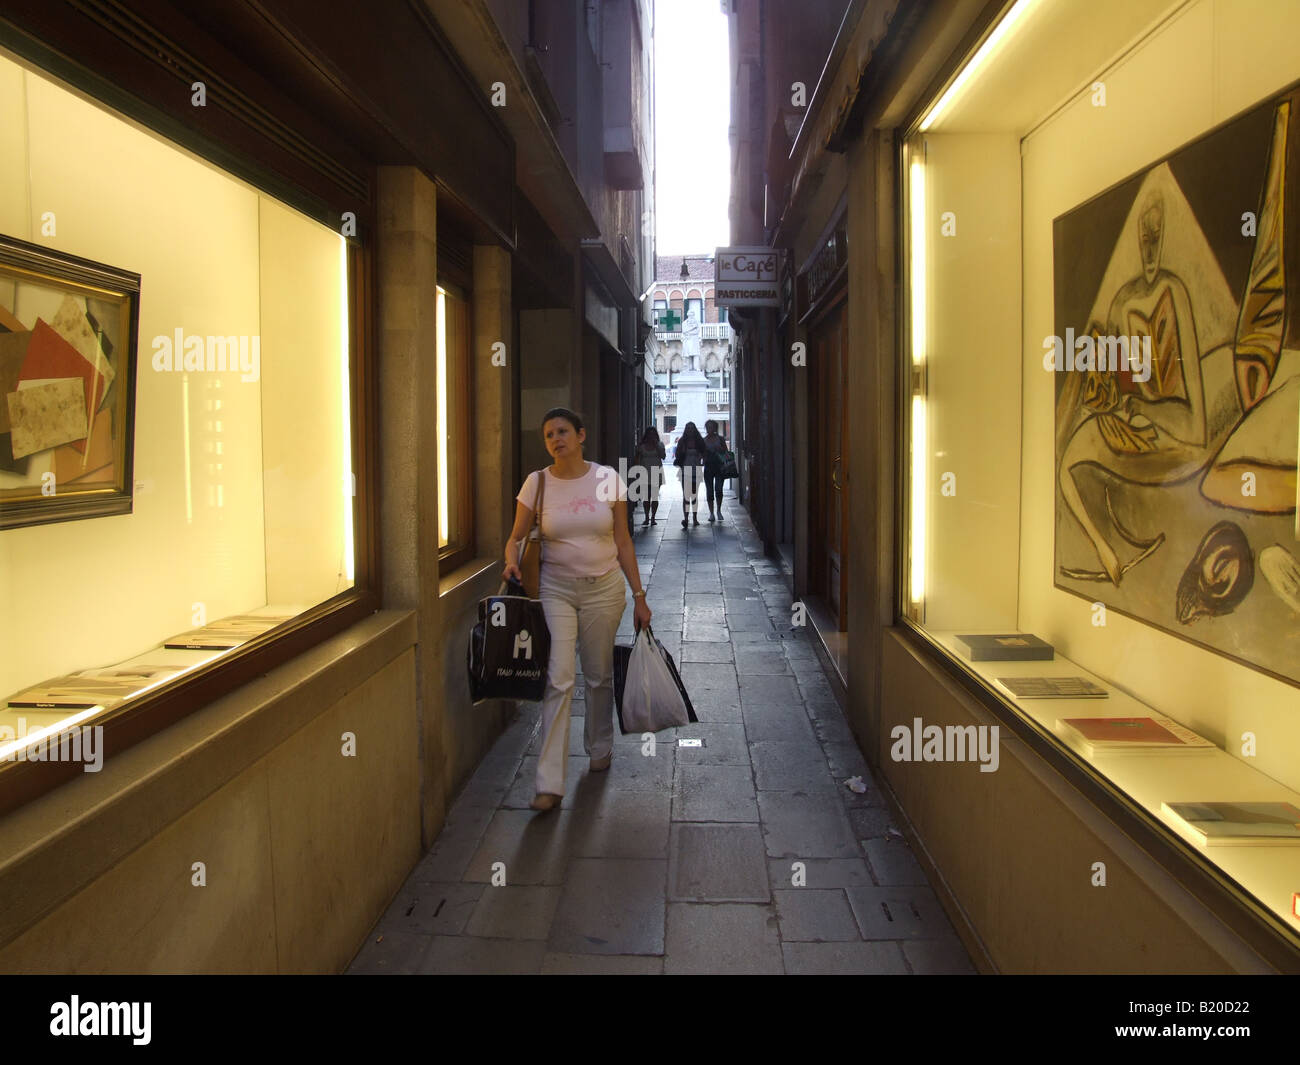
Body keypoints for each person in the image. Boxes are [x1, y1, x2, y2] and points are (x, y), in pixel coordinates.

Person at [502, 408, 652, 812]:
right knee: (559, 678)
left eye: (563, 431)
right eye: (549, 434)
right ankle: (549, 783)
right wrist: (511, 559)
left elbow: (622, 541)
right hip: (555, 590)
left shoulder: (607, 479)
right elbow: (515, 537)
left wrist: (639, 595)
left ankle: (599, 746)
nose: (556, 439)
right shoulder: (537, 484)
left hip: (604, 589)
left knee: (600, 675)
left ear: (581, 435)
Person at [674, 421, 705, 528]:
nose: (690, 430)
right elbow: (677, 454)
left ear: (694, 429)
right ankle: (686, 518)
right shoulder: (682, 441)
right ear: (686, 430)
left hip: (696, 469)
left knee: (694, 495)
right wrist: (682, 451)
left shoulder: (699, 441)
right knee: (686, 495)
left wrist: (701, 456)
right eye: (689, 428)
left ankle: (695, 518)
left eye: (692, 428)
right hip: (685, 469)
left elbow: (704, 453)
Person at [632, 426, 666, 525]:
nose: (651, 436)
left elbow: (663, 456)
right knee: (646, 497)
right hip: (644, 472)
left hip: (656, 472)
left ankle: (653, 518)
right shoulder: (641, 446)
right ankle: (647, 517)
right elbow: (637, 459)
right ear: (646, 435)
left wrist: (657, 446)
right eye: (649, 434)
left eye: (653, 434)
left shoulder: (660, 444)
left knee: (654, 497)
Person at [702, 419, 730, 523]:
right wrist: (703, 459)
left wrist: (721, 449)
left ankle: (718, 510)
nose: (710, 429)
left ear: (715, 428)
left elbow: (726, 453)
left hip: (719, 467)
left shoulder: (720, 439)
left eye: (712, 427)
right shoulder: (704, 440)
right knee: (709, 490)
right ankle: (711, 513)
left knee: (719, 489)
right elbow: (703, 454)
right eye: (708, 427)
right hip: (708, 467)